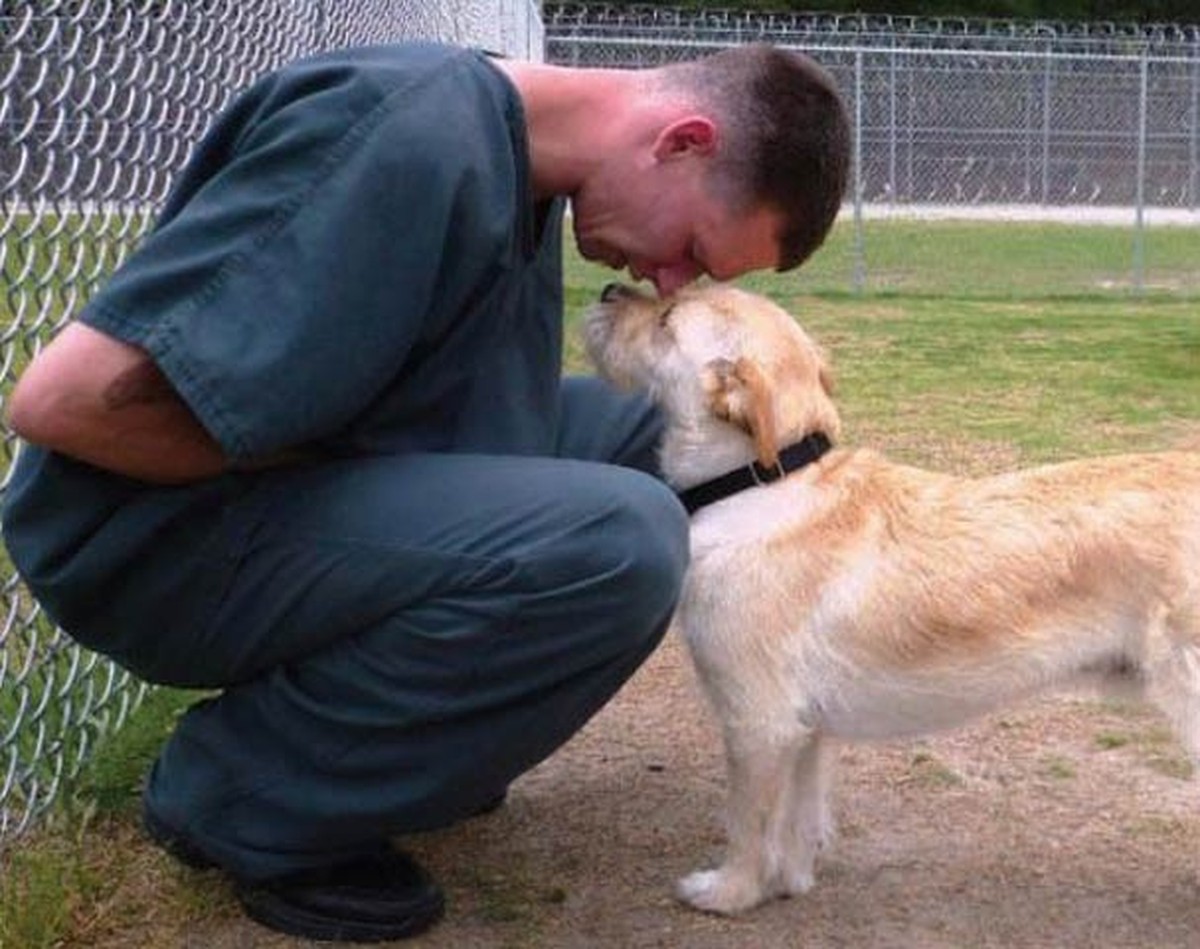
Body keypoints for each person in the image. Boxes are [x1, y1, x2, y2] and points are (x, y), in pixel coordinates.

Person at [3, 40, 850, 942]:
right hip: (157, 544)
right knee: (620, 538)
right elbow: (63, 404)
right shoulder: (402, 135)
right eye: (690, 251)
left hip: (297, 496)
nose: (669, 281)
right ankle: (245, 792)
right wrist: (360, 461)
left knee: (671, 438)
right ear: (681, 142)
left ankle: (423, 731)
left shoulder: (531, 162)